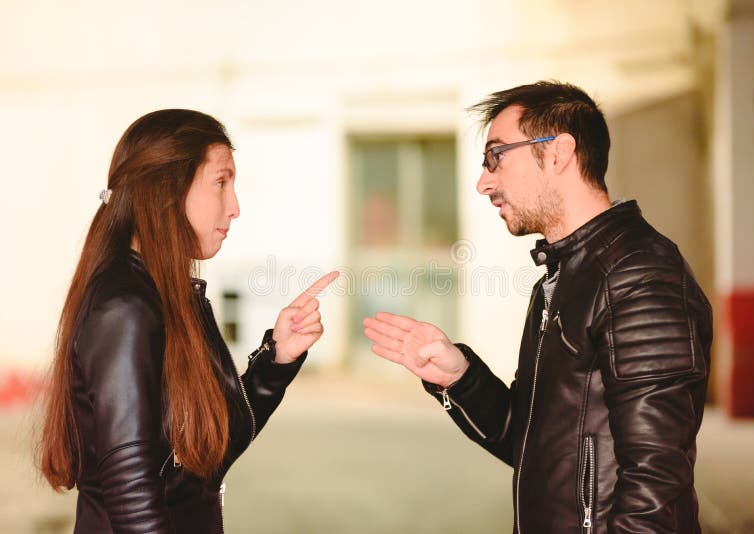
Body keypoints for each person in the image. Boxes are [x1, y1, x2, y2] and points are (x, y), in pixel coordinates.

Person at [363, 81, 712, 533]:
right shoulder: (563, 276)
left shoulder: (638, 275)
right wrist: (459, 378)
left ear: (558, 152)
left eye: (496, 156)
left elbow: (656, 487)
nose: (483, 181)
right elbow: (532, 446)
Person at [38, 109, 338, 533]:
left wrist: (277, 361)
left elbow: (205, 456)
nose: (234, 207)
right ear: (168, 189)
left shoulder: (168, 296)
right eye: (221, 182)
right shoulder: (124, 308)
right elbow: (132, 494)